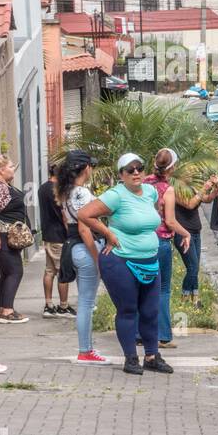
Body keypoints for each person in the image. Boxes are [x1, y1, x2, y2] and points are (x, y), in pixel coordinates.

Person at [75, 153, 175, 376]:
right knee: (128, 310)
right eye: (130, 170)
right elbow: (84, 214)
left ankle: (152, 356)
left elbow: (151, 217)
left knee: (150, 311)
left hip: (150, 259)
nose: (136, 172)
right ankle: (131, 358)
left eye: (139, 168)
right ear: (121, 174)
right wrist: (108, 234)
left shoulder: (149, 192)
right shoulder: (115, 195)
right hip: (121, 261)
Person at [58, 151, 110, 364]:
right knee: (87, 302)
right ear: (85, 168)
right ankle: (85, 350)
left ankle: (86, 349)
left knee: (85, 301)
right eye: (91, 166)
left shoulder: (65, 191)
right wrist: (96, 256)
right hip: (85, 248)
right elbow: (84, 228)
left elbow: (67, 222)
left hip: (74, 248)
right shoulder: (82, 194)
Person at [144, 149, 193, 349]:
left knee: (143, 287)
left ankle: (140, 333)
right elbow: (170, 221)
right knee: (163, 290)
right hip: (161, 242)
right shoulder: (167, 189)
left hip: (142, 240)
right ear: (172, 167)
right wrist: (186, 233)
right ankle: (163, 335)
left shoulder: (143, 183)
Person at [0, 151, 30, 324]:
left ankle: (4, 308)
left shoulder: (4, 184)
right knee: (15, 271)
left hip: (7, 235)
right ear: (2, 170)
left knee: (7, 272)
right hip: (2, 235)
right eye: (11, 167)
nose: (13, 170)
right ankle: (7, 311)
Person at [174, 173, 218, 301]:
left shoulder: (193, 188)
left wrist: (216, 187)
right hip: (183, 233)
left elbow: (207, 199)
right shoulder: (176, 191)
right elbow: (190, 204)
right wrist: (204, 187)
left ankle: (195, 298)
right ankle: (184, 297)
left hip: (195, 231)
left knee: (195, 267)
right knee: (193, 267)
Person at [38, 165, 75, 319]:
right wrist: (71, 232)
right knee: (62, 272)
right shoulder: (58, 190)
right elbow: (64, 215)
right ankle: (63, 306)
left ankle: (48, 305)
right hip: (59, 236)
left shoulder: (42, 188)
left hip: (47, 234)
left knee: (49, 271)